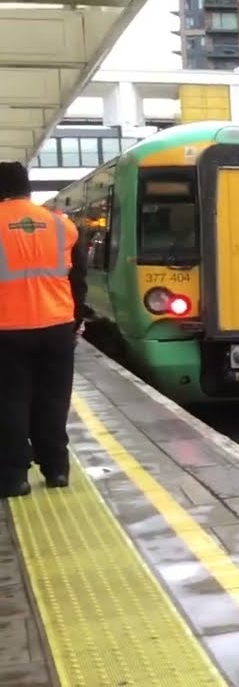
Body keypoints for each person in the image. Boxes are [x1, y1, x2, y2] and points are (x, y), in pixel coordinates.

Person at [0, 161, 89, 498]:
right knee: (53, 400)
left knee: (10, 402)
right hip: (56, 327)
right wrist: (75, 322)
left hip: (7, 330)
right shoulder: (61, 225)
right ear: (27, 189)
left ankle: (14, 478)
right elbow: (78, 279)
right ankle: (56, 470)